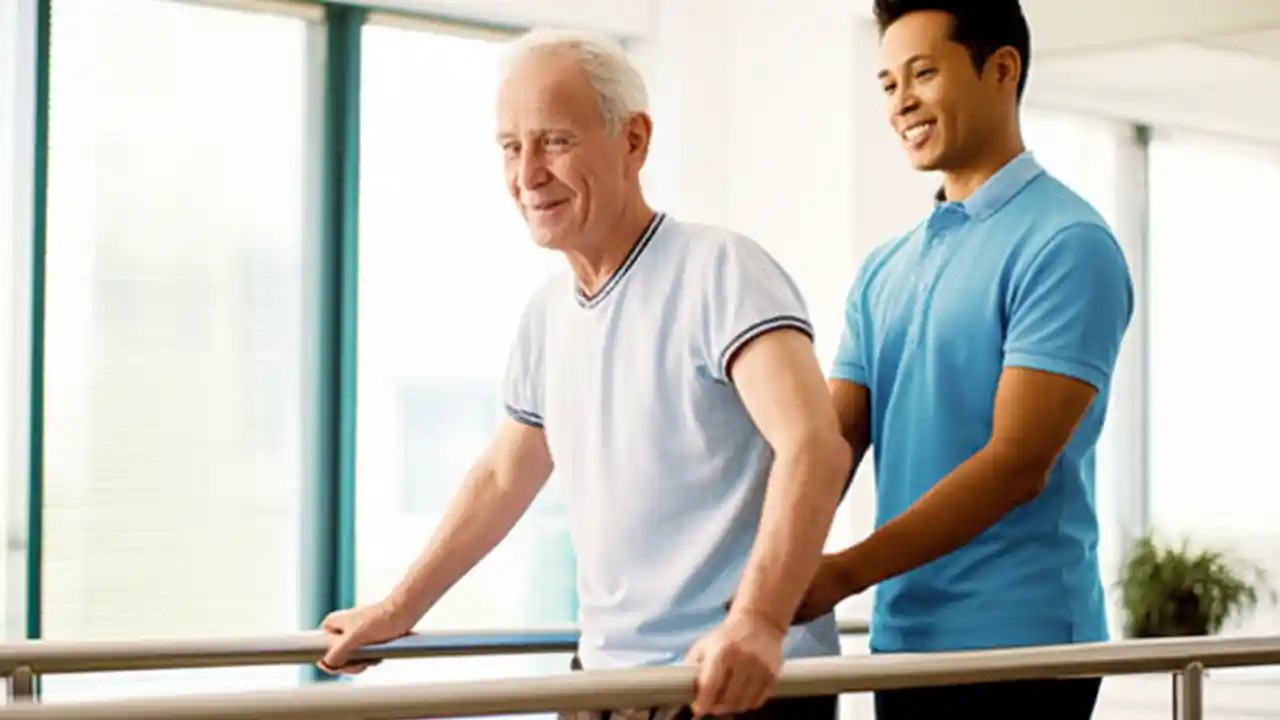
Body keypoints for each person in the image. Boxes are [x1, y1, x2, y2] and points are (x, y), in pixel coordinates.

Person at [316, 28, 852, 720]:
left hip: (733, 682)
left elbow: (813, 445)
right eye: (511, 147)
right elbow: (504, 477)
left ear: (634, 140)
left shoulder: (720, 270)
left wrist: (759, 622)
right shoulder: (548, 315)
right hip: (605, 682)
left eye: (555, 141)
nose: (528, 174)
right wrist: (397, 608)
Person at [791, 1, 1134, 717]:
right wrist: (755, 566)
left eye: (923, 74)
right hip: (904, 646)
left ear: (1002, 69)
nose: (901, 103)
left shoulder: (1067, 243)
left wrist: (842, 573)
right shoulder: (885, 268)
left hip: (1023, 652)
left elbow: (1016, 463)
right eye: (888, 84)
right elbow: (828, 445)